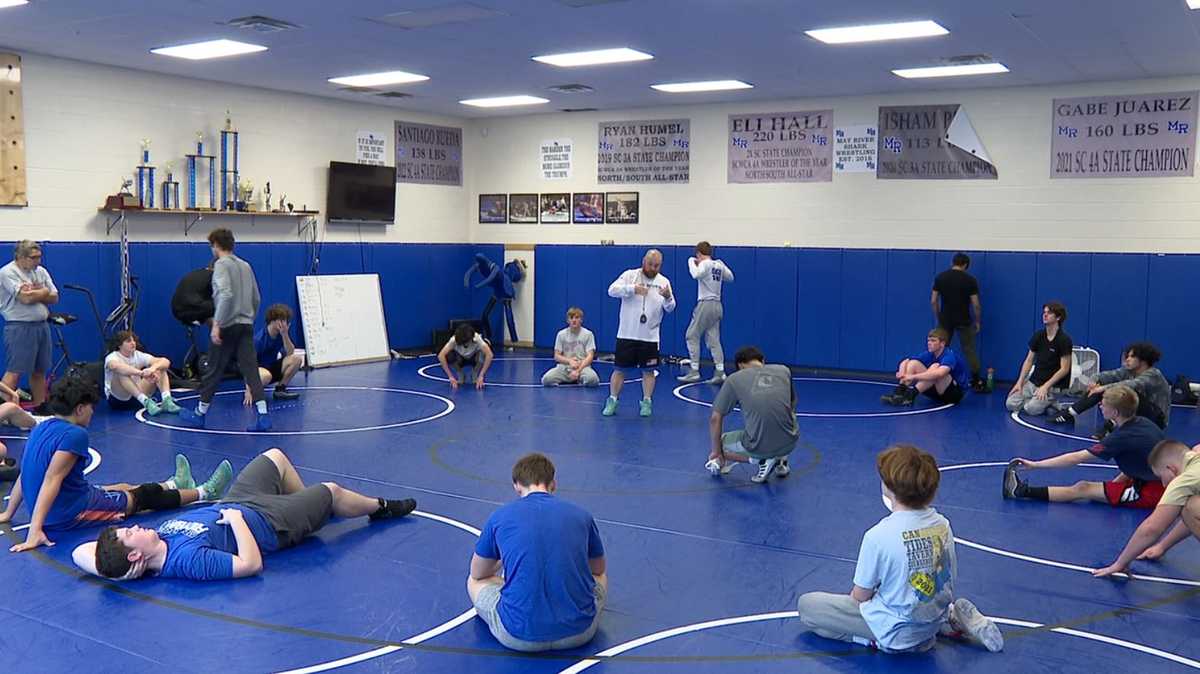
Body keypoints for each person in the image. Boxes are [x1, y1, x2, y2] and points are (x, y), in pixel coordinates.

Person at [76, 448, 417, 581]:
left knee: (275, 457)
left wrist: (118, 573)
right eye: (130, 533)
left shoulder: (151, 546)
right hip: (267, 522)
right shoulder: (186, 562)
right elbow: (250, 565)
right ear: (135, 553)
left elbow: (81, 554)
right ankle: (380, 508)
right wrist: (238, 522)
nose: (136, 526)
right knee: (331, 490)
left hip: (242, 499)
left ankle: (310, 511)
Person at [796, 444, 1003, 654]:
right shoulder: (942, 524)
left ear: (889, 487)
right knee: (909, 592)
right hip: (932, 614)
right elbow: (948, 577)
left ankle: (878, 641)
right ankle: (949, 618)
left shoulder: (878, 535)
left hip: (897, 631)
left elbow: (859, 597)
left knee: (808, 608)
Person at [0, 376, 232, 552]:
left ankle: (173, 483)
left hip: (67, 500)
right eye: (91, 408)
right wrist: (35, 530)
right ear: (80, 409)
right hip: (70, 513)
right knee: (142, 497)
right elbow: (52, 479)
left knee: (119, 487)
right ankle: (205, 492)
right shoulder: (74, 435)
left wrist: (9, 512)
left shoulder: (41, 427)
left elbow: (26, 473)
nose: (93, 413)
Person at [467, 453, 606, 652]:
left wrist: (502, 559)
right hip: (580, 633)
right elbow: (598, 568)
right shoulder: (581, 514)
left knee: (475, 581)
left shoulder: (500, 517)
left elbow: (478, 573)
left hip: (517, 636)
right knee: (599, 577)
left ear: (516, 485)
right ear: (553, 483)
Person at [1004, 385, 1165, 509]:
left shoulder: (1120, 437)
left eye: (1104, 404)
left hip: (1153, 492)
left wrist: (1035, 465)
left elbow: (1076, 458)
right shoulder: (1143, 423)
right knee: (1095, 489)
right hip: (1161, 482)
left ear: (1114, 412)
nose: (1100, 406)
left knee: (1082, 488)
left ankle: (1021, 492)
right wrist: (1113, 486)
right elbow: (1138, 460)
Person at [179, 228, 271, 432]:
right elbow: (256, 297)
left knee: (213, 370)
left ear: (215, 245)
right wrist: (249, 318)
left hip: (228, 325)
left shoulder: (220, 265)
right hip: (246, 324)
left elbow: (226, 295)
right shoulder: (246, 266)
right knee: (250, 371)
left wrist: (217, 324)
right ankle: (263, 416)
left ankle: (200, 414)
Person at [1093, 440, 1200, 578]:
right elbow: (1193, 516)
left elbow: (1152, 528)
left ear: (1171, 469)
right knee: (1190, 505)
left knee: (1189, 505)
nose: (1163, 484)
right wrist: (1162, 546)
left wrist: (1120, 563)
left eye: (1162, 477)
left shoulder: (1184, 480)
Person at [706, 346, 798, 483]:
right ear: (763, 361)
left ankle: (762, 460)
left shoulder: (734, 379)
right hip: (790, 441)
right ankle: (781, 460)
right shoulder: (784, 370)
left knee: (721, 443)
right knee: (786, 417)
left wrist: (716, 452)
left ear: (740, 365)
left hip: (760, 445)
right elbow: (792, 403)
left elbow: (715, 418)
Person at [603, 249, 675, 417]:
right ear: (644, 261)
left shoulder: (664, 282)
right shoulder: (629, 275)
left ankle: (647, 402)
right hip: (627, 334)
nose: (653, 268)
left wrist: (668, 297)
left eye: (656, 265)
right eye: (650, 264)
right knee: (619, 369)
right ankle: (612, 400)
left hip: (650, 337)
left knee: (649, 371)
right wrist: (632, 289)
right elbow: (611, 290)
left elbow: (670, 308)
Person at [1050, 342, 1170, 438]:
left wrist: (1102, 389)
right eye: (1127, 356)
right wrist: (1093, 382)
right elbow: (1106, 375)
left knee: (1124, 392)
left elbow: (1132, 384)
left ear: (1143, 359)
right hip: (1138, 415)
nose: (1127, 359)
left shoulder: (1153, 375)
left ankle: (1072, 414)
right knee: (1103, 388)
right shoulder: (1128, 371)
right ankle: (1074, 414)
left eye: (1132, 356)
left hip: (1156, 419)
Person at [0, 240, 58, 408]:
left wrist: (37, 292)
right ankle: (3, 409)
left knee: (39, 370)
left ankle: (41, 407)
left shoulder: (40, 271)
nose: (38, 261)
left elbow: (55, 297)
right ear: (21, 257)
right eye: (33, 258)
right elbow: (25, 298)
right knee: (15, 371)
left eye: (39, 257)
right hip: (20, 326)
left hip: (41, 326)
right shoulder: (7, 272)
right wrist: (44, 291)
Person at [677, 241, 734, 385]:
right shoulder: (718, 265)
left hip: (706, 303)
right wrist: (720, 264)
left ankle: (694, 371)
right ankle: (720, 372)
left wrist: (691, 261)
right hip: (717, 305)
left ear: (698, 254)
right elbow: (730, 277)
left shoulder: (705, 263)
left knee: (691, 335)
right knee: (714, 340)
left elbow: (695, 275)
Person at [1005, 302, 1072, 416]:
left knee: (1031, 409)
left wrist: (1046, 386)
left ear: (1058, 317)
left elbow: (1064, 369)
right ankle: (1048, 404)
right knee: (1010, 404)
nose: (1045, 315)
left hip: (1052, 386)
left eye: (1049, 313)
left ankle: (1049, 402)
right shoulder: (1039, 336)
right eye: (1044, 312)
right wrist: (1020, 382)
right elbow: (1029, 360)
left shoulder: (1064, 340)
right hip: (1034, 382)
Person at [931, 253, 984, 391]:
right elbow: (976, 304)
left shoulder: (941, 277)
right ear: (966, 265)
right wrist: (977, 321)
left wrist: (938, 316)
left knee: (939, 350)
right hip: (964, 319)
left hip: (945, 319)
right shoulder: (970, 280)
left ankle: (934, 377)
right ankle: (976, 381)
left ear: (952, 262)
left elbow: (934, 300)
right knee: (969, 350)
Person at [881, 329, 969, 407]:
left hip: (953, 394)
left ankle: (910, 396)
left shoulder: (949, 356)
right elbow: (906, 361)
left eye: (933, 341)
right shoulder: (929, 354)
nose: (929, 343)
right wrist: (902, 372)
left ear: (942, 344)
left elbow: (940, 373)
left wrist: (913, 377)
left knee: (935, 367)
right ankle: (899, 392)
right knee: (913, 363)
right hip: (937, 391)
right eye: (928, 341)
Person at [104, 330, 181, 416]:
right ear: (119, 345)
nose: (133, 343)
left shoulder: (138, 355)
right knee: (121, 372)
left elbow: (165, 361)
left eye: (134, 341)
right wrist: (141, 373)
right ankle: (146, 401)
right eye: (128, 341)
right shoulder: (112, 357)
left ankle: (166, 399)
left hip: (137, 396)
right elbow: (115, 366)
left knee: (160, 368)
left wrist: (152, 369)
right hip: (119, 399)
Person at [250, 303, 303, 402]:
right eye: (282, 320)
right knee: (266, 376)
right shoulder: (259, 340)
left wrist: (285, 335)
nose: (285, 323)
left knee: (297, 360)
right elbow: (249, 364)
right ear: (273, 320)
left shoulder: (281, 334)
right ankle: (254, 389)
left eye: (286, 321)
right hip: (260, 371)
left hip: (273, 367)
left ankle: (280, 389)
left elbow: (290, 352)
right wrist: (248, 388)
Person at [541, 307, 599, 387]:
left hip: (582, 366)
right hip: (564, 367)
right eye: (571, 318)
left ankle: (577, 377)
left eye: (577, 317)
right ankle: (570, 378)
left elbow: (590, 356)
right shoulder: (561, 334)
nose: (574, 320)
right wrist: (570, 361)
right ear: (568, 320)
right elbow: (556, 356)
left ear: (581, 320)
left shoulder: (588, 334)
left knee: (593, 380)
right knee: (546, 380)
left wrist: (578, 370)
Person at [437, 323, 494, 390]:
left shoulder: (477, 338)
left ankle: (475, 372)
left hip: (474, 358)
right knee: (449, 355)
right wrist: (450, 377)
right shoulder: (453, 340)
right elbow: (441, 355)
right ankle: (460, 373)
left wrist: (481, 375)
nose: (465, 345)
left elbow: (490, 354)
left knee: (485, 351)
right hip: (460, 358)